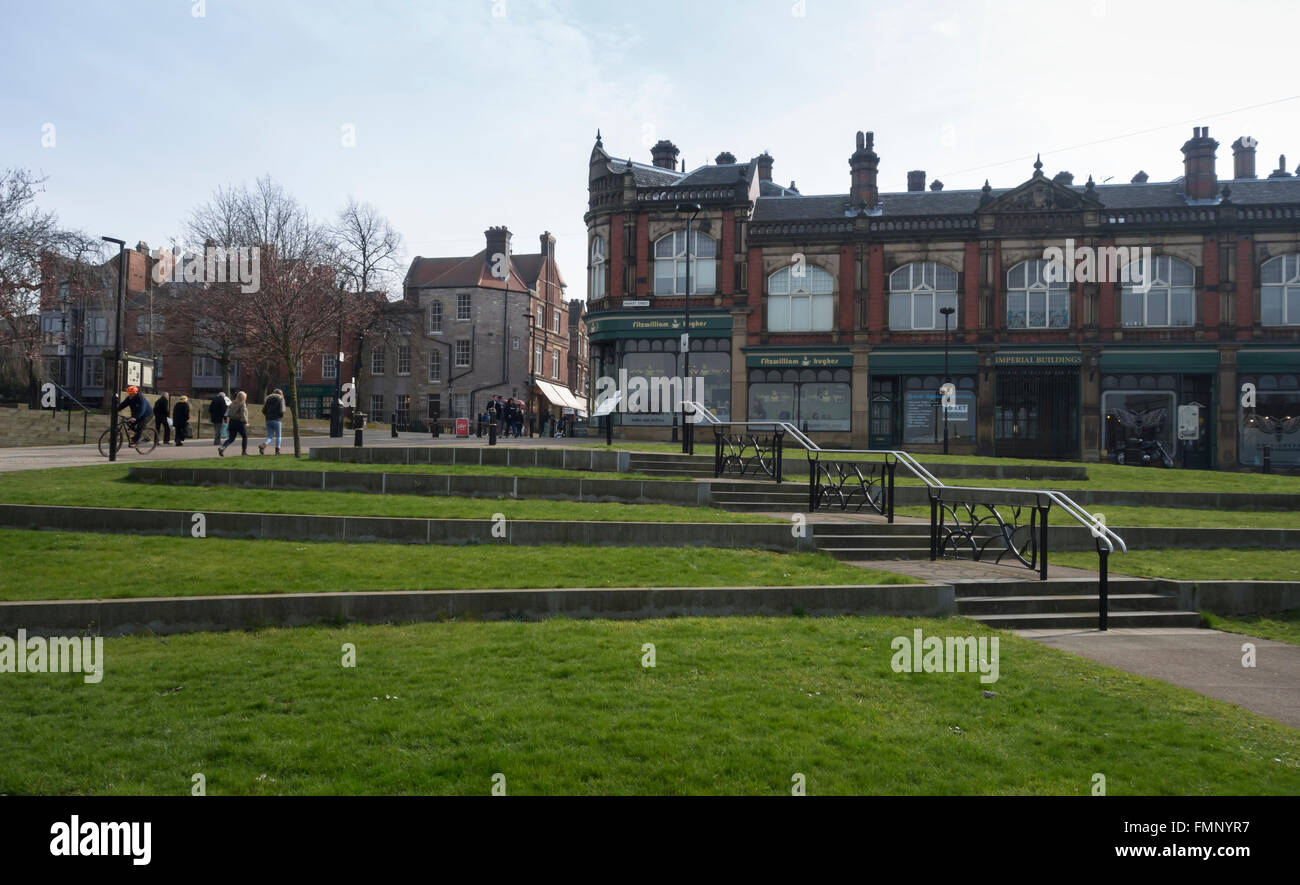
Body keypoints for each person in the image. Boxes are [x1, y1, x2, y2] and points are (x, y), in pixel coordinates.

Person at [218, 391, 250, 456]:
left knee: (231, 438)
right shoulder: (242, 404)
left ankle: (222, 447)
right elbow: (243, 414)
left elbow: (227, 412)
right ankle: (244, 452)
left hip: (232, 422)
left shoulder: (232, 403)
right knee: (245, 436)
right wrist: (246, 422)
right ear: (244, 397)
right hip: (240, 423)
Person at [260, 388, 286, 455]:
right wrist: (281, 416)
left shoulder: (268, 399)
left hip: (268, 420)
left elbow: (263, 410)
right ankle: (277, 450)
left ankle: (263, 446)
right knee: (278, 436)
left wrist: (268, 415)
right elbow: (282, 410)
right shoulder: (281, 399)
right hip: (277, 420)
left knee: (269, 436)